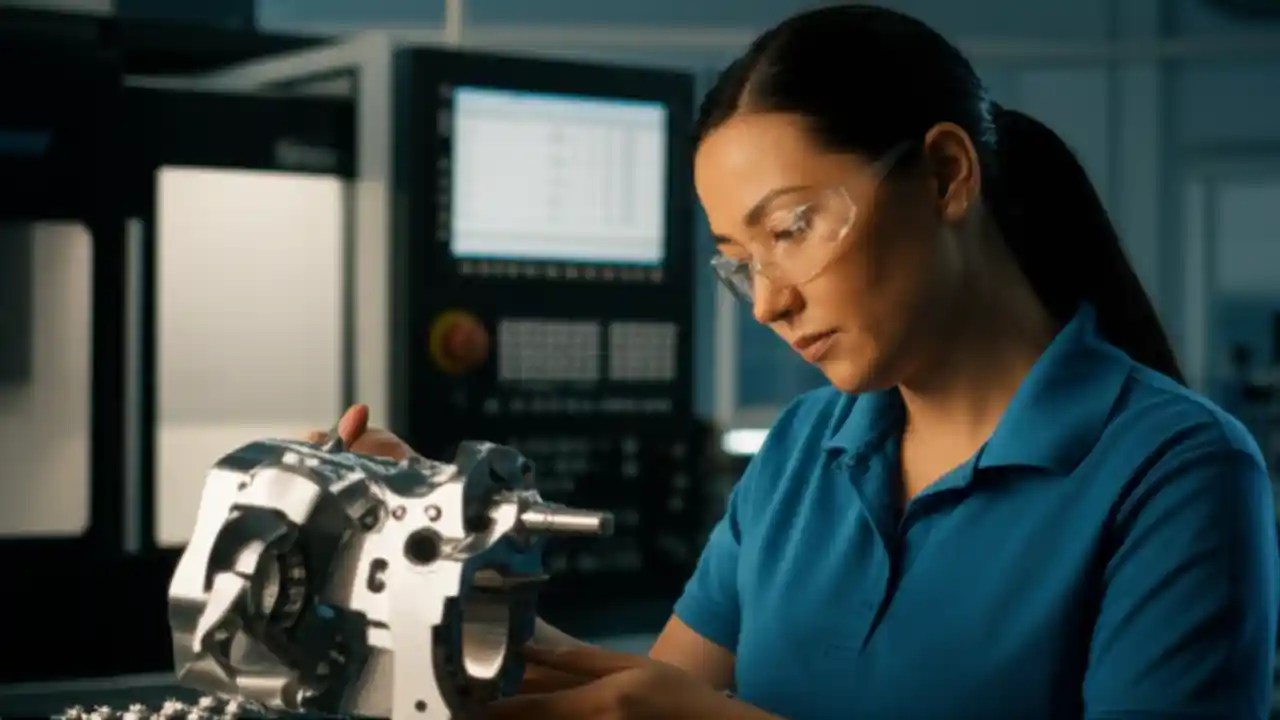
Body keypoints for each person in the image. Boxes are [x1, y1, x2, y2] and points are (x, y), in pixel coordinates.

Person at [317, 4, 1280, 718]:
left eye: (791, 229)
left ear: (947, 175)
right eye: (741, 264)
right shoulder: (807, 447)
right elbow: (638, 698)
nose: (771, 302)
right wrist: (427, 547)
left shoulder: (1175, 470)